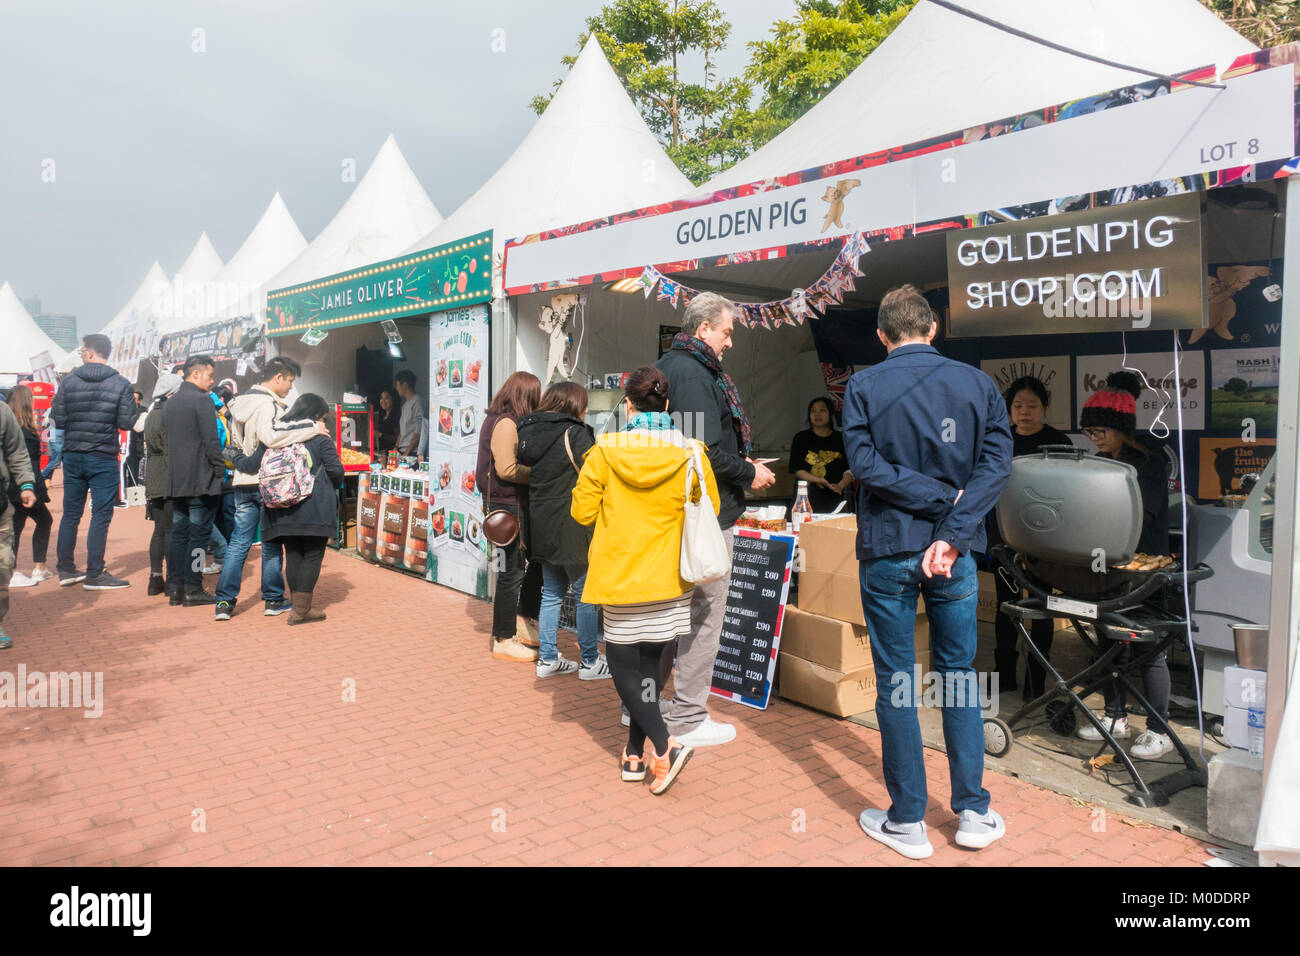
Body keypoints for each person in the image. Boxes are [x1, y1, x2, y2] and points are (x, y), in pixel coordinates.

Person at [842, 284, 1013, 860]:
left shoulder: (862, 385)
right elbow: (997, 465)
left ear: (883, 335)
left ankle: (908, 820)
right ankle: (973, 811)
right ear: (933, 328)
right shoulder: (977, 383)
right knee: (958, 676)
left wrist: (940, 515)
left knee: (897, 682)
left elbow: (864, 466)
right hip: (953, 552)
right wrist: (952, 521)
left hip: (891, 547)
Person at [571, 366, 718, 794]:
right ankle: (635, 750)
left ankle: (663, 744)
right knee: (652, 664)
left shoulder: (603, 451)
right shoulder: (693, 452)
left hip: (619, 574)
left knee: (623, 667)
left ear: (629, 406)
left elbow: (581, 512)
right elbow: (706, 503)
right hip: (670, 576)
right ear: (667, 405)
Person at [654, 291, 775, 747]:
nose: (730, 343)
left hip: (675, 511)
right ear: (704, 329)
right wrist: (750, 471)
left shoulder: (668, 366)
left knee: (669, 611)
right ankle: (687, 717)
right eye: (727, 332)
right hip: (705, 515)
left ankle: (646, 707)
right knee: (705, 612)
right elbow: (701, 450)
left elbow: (695, 443)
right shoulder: (695, 373)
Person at [1077, 371, 1175, 760]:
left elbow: (1143, 513)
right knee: (1108, 641)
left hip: (1146, 565)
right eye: (1089, 430)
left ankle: (1159, 728)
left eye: (1100, 428)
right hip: (1108, 565)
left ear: (1121, 426)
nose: (1094, 437)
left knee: (1148, 647)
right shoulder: (1100, 460)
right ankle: (1115, 715)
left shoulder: (1149, 461)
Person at [216, 357, 322, 621]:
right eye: (289, 381)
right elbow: (271, 436)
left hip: (242, 480)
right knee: (271, 543)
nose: (289, 388)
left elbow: (238, 446)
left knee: (239, 541)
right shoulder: (266, 404)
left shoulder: (238, 405)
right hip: (267, 481)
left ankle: (224, 603)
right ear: (278, 377)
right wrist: (312, 428)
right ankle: (273, 599)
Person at [517, 381, 609, 680]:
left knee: (552, 592)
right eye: (583, 404)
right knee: (584, 594)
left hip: (541, 521)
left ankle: (547, 659)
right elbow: (597, 474)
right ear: (573, 405)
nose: (586, 410)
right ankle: (589, 661)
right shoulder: (577, 433)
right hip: (573, 522)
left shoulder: (530, 431)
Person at [989, 376, 1071, 699]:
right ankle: (1004, 674)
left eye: (1032, 405)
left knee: (1041, 606)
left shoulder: (1058, 442)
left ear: (1045, 406)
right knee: (1006, 605)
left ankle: (1036, 680)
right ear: (1009, 409)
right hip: (1005, 536)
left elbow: (1066, 493)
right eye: (1018, 406)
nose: (1024, 412)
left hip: (1043, 540)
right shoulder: (999, 441)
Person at [231, 394, 344, 624]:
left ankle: (299, 606)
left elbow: (251, 465)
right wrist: (332, 486)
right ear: (315, 416)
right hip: (314, 506)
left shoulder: (275, 437)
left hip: (280, 506)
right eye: (322, 417)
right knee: (313, 554)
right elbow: (336, 470)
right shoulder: (321, 439)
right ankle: (301, 610)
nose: (324, 423)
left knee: (293, 553)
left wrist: (234, 456)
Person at [50, 333, 139, 589]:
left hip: (74, 454)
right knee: (100, 515)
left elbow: (58, 419)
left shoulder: (69, 383)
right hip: (102, 455)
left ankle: (66, 569)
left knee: (71, 514)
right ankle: (94, 572)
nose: (80, 355)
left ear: (89, 353)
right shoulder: (121, 383)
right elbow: (126, 422)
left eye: (81, 351)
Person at [477, 371, 544, 661]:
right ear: (524, 396)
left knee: (513, 569)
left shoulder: (496, 419)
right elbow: (506, 468)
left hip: (501, 508)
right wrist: (540, 474)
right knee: (509, 572)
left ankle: (517, 625)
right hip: (507, 509)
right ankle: (503, 637)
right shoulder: (506, 423)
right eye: (535, 396)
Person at [164, 355, 225, 607]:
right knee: (199, 538)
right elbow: (211, 441)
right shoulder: (201, 401)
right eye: (210, 376)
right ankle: (194, 586)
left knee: (179, 533)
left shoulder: (171, 402)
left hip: (177, 479)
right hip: (201, 478)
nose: (212, 381)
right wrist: (220, 469)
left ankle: (176, 586)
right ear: (196, 374)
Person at [5, 386, 54, 588]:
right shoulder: (23, 430)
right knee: (30, 523)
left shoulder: (12, 425)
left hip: (16, 484)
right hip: (25, 486)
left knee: (22, 524)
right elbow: (27, 461)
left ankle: (35, 568)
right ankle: (27, 569)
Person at [0, 400, 38, 650]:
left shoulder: (2, 411)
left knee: (3, 566)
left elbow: (16, 450)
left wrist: (26, 484)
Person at [142, 373, 182, 596]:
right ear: (173, 393)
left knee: (159, 529)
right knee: (170, 529)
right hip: (168, 475)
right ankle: (173, 580)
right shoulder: (169, 415)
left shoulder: (151, 414)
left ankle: (155, 577)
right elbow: (170, 450)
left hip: (154, 475)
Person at [789, 396, 855, 513]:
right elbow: (797, 469)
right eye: (813, 411)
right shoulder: (801, 438)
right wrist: (818, 479)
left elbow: (851, 469)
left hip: (835, 499)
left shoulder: (841, 438)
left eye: (822, 410)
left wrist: (840, 486)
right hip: (805, 499)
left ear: (831, 414)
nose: (817, 414)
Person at [394, 370, 428, 458]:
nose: (396, 388)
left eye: (397, 385)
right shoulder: (405, 405)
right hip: (402, 451)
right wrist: (396, 448)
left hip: (412, 453)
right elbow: (402, 431)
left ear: (404, 385)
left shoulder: (418, 401)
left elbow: (418, 431)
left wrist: (406, 454)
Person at [124, 389, 145, 489]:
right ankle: (122, 495)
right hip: (124, 447)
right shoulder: (125, 410)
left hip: (135, 448)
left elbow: (138, 428)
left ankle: (133, 495)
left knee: (133, 473)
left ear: (139, 401)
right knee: (122, 474)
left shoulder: (143, 412)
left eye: (134, 398)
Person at [375, 389, 401, 453]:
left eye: (386, 398)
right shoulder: (381, 416)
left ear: (393, 400)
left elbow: (396, 438)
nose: (383, 401)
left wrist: (380, 435)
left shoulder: (397, 416)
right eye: (381, 398)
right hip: (379, 451)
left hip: (391, 453)